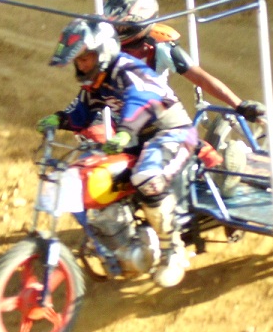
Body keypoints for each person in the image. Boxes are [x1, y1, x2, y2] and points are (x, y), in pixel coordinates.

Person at [35, 18, 199, 287]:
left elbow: (141, 100)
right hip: (136, 139)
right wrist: (60, 119)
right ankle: (118, 237)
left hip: (173, 133)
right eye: (79, 60)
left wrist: (125, 130)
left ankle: (174, 251)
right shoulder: (96, 82)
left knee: (146, 176)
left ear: (103, 52)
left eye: (86, 57)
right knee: (95, 172)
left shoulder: (127, 69)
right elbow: (82, 114)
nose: (82, 64)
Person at [104, 0, 264, 176]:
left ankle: (226, 164)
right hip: (120, 122)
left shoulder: (161, 48)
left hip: (160, 120)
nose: (116, 31)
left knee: (170, 166)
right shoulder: (105, 47)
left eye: (121, 27)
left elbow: (200, 78)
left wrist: (239, 105)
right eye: (113, 26)